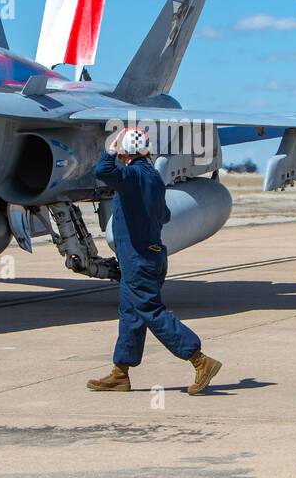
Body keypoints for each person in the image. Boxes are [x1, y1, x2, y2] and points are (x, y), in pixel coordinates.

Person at [87, 127, 222, 394]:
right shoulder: (153, 177)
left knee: (150, 311)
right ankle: (120, 373)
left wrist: (109, 151)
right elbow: (165, 215)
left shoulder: (133, 174)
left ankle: (199, 359)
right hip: (149, 255)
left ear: (125, 152)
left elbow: (103, 172)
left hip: (138, 259)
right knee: (130, 312)